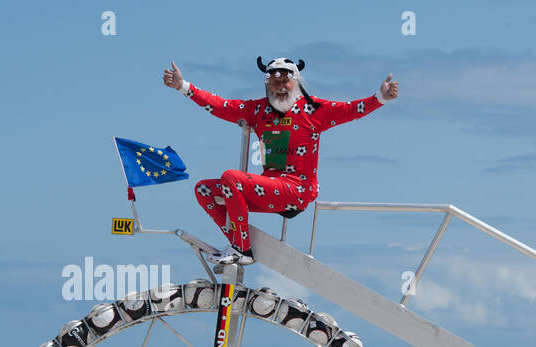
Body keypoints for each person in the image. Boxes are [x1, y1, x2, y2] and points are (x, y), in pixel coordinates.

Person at [163, 56, 397, 265]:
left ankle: (242, 249)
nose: (281, 86)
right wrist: (182, 86)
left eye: (286, 81)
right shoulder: (257, 110)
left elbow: (350, 110)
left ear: (297, 82)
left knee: (231, 178)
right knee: (203, 189)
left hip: (297, 190)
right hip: (268, 189)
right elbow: (220, 106)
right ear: (267, 84)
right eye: (275, 82)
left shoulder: (313, 109)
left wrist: (381, 98)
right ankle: (237, 239)